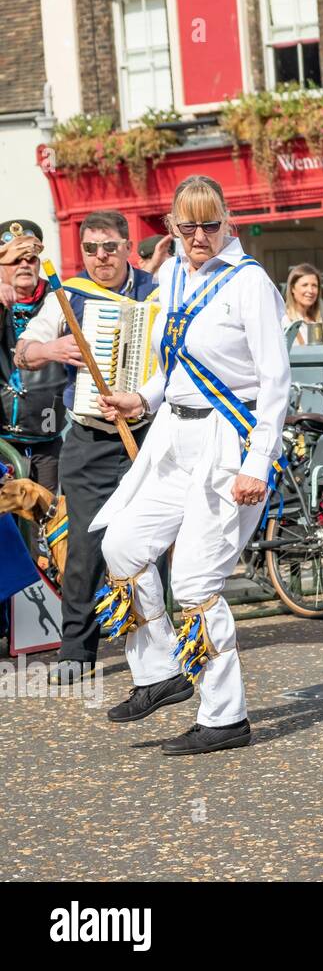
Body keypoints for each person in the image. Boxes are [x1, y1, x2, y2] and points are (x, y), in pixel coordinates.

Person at [91, 175, 291, 754]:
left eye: (210, 224)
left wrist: (259, 461)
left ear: (228, 222)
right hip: (172, 436)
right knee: (122, 545)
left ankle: (225, 716)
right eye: (188, 226)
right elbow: (171, 362)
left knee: (196, 582)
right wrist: (143, 399)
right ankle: (160, 672)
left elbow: (276, 383)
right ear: (173, 228)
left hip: (229, 443)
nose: (199, 236)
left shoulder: (250, 284)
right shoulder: (170, 274)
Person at [14, 209, 158, 684]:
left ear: (127, 246)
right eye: (91, 249)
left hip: (151, 434)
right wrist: (50, 350)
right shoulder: (69, 295)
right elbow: (25, 348)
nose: (100, 257)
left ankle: (165, 641)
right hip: (91, 438)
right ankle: (77, 649)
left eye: (110, 247)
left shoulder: (158, 292)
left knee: (157, 542)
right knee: (84, 546)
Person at [0, 225, 62, 491]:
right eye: (15, 260)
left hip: (46, 434)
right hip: (2, 440)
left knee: (47, 523)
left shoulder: (58, 299)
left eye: (31, 259)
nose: (24, 265)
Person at [282, 263, 323, 345]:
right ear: (292, 289)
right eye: (305, 285)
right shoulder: (284, 320)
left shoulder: (319, 321)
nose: (310, 290)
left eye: (314, 286)